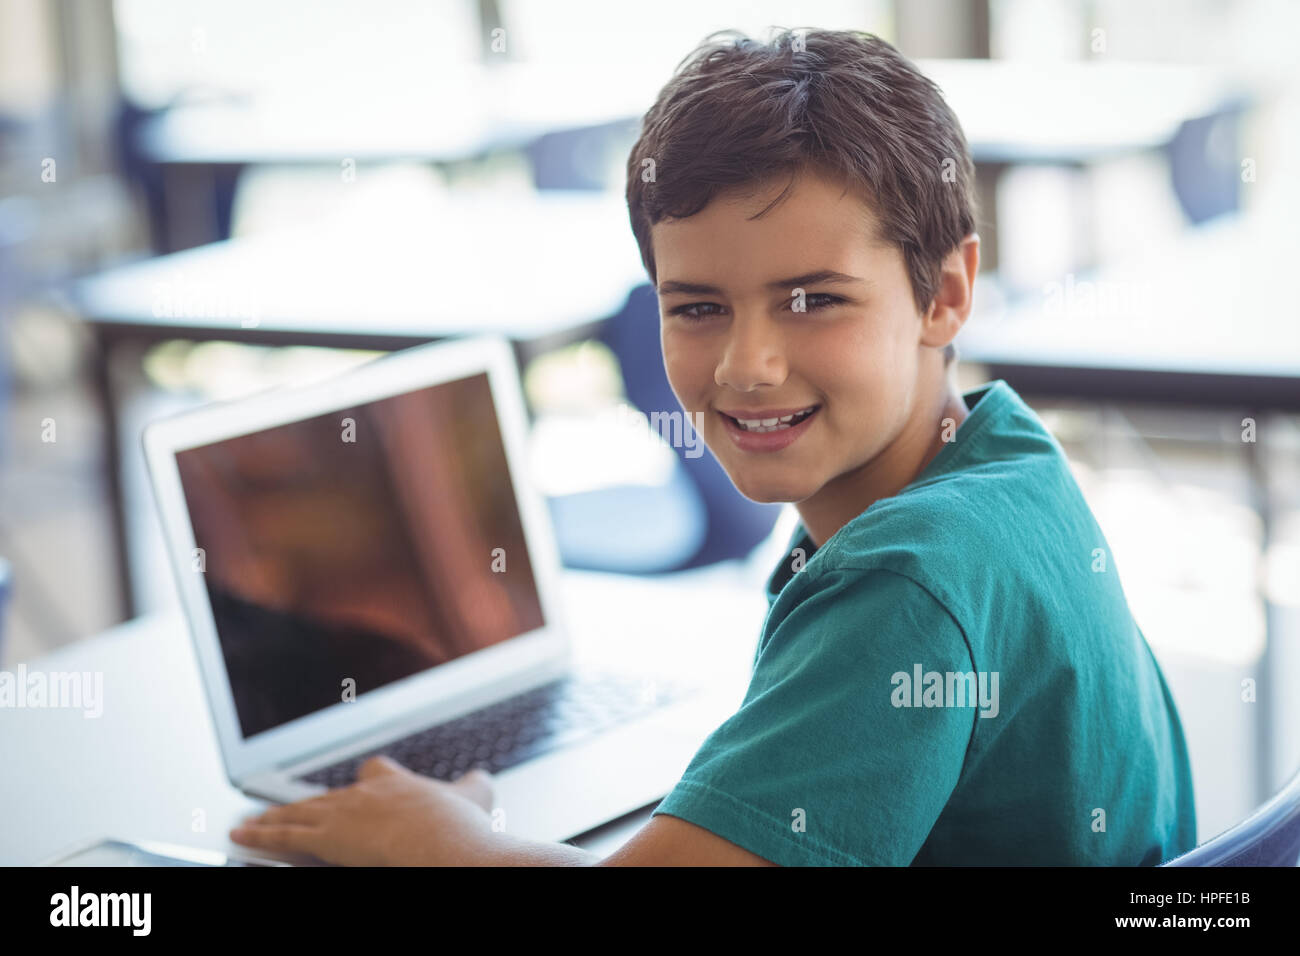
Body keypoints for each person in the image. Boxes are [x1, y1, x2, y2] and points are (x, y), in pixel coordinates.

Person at [231, 27, 1196, 866]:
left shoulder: (906, 584)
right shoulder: (1006, 456)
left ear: (943, 295)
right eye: (696, 307)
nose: (748, 366)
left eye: (813, 299)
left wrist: (441, 844)